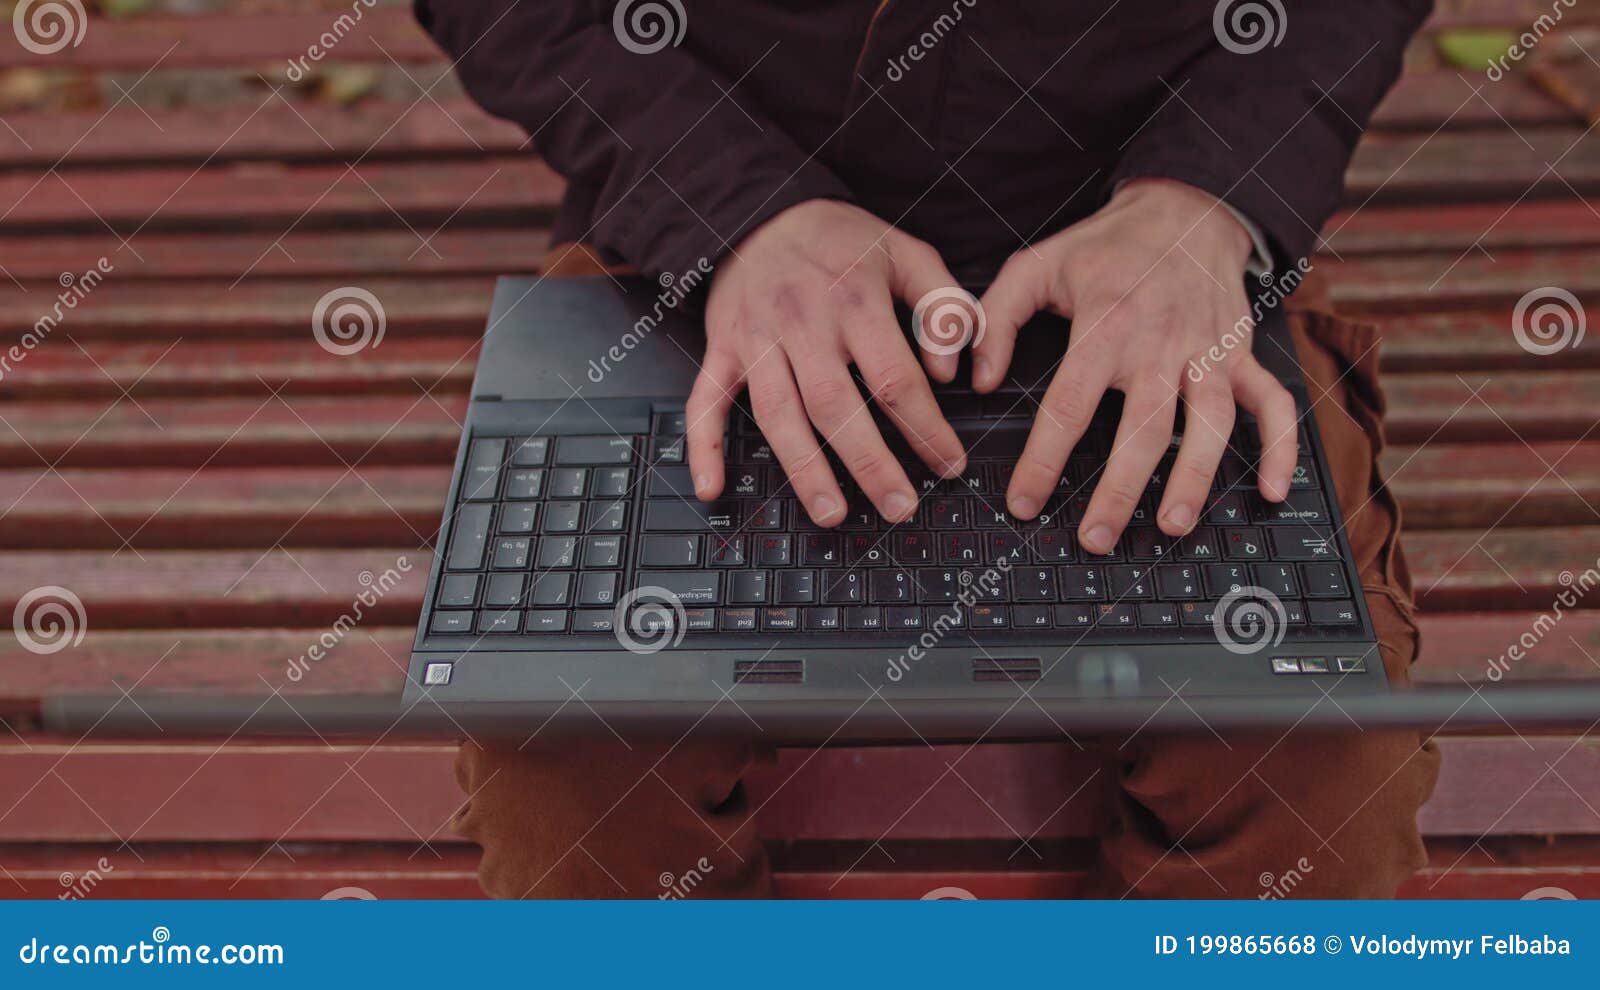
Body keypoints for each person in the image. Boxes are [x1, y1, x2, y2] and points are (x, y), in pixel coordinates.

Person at [416, 0, 1441, 898]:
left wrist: (1207, 193)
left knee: (1322, 778)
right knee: (566, 766)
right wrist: (728, 205)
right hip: (696, 254)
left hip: (1155, 261)